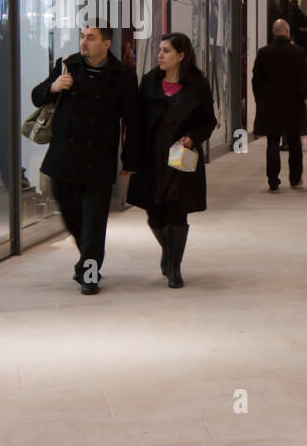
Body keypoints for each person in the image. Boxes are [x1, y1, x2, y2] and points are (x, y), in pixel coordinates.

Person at [30, 25, 143, 295]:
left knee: (94, 222)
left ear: (106, 43)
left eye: (90, 38)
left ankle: (90, 274)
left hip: (99, 159)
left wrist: (130, 160)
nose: (83, 42)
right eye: (82, 37)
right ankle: (87, 258)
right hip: (64, 158)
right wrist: (54, 86)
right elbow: (37, 96)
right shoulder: (67, 66)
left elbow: (133, 121)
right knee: (71, 214)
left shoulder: (122, 75)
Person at [126, 32, 217, 289]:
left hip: (181, 159)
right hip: (152, 158)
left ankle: (175, 267)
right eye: (160, 50)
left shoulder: (197, 84)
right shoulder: (150, 82)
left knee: (177, 210)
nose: (160, 55)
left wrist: (192, 137)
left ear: (181, 55)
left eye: (166, 51)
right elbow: (137, 122)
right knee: (154, 213)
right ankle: (168, 250)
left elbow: (207, 121)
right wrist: (130, 157)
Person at [252, 19, 307, 191]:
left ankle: (273, 181)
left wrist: (260, 100)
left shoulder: (264, 52)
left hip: (270, 105)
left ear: (274, 32)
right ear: (287, 31)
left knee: (272, 142)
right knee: (294, 142)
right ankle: (295, 179)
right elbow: (304, 81)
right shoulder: (298, 52)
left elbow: (256, 80)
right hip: (294, 105)